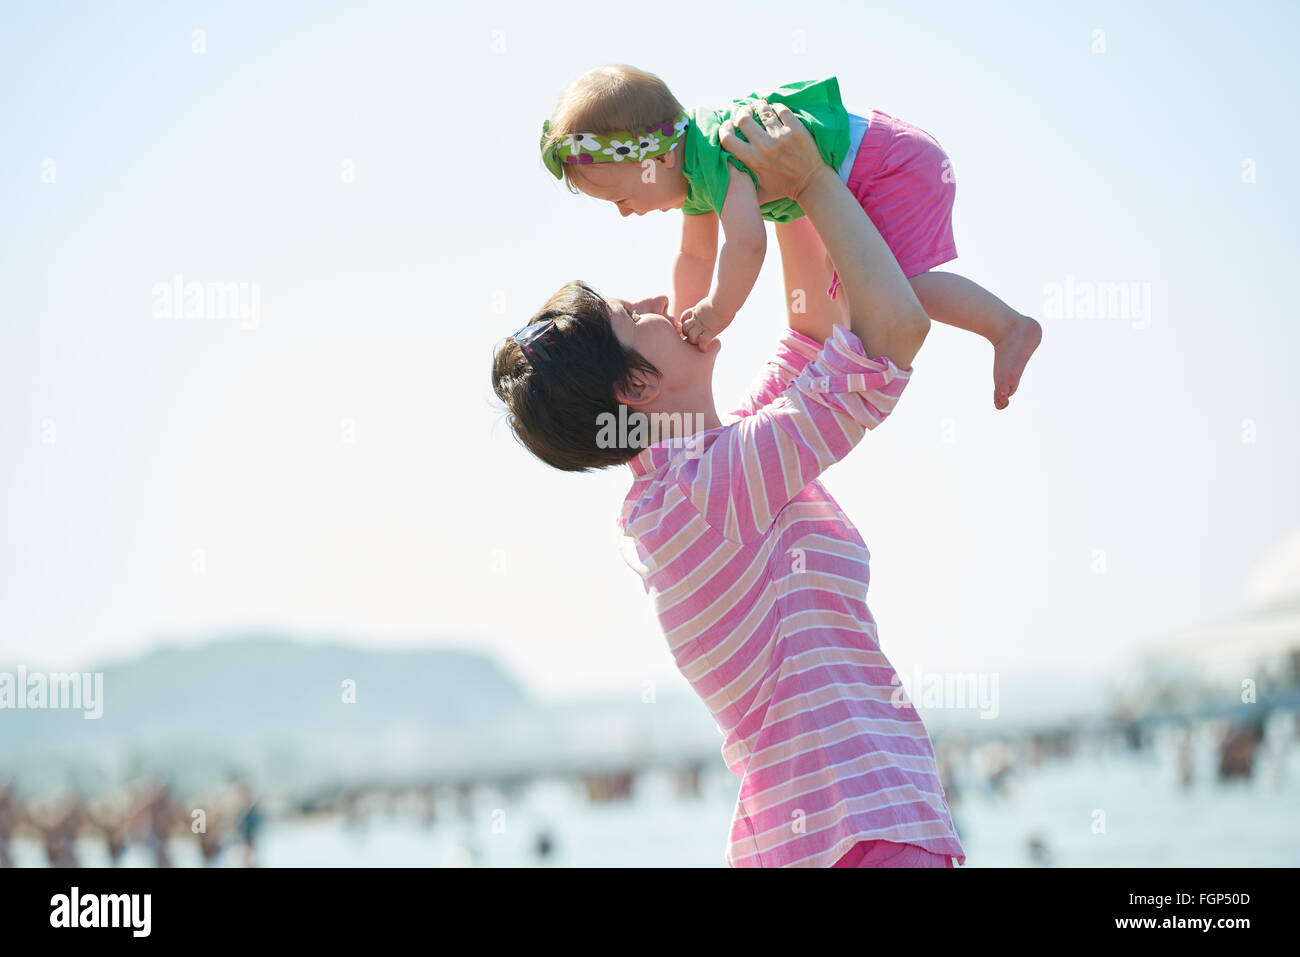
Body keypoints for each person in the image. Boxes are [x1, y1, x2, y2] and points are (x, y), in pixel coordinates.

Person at [494, 101, 964, 867]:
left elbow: (812, 336)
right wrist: (810, 177)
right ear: (635, 388)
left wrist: (773, 178)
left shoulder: (689, 482)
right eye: (632, 315)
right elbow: (892, 336)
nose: (656, 300)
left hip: (841, 832)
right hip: (858, 832)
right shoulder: (700, 491)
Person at [540, 64, 1040, 409]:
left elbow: (747, 243)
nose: (626, 214)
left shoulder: (718, 155)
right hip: (880, 167)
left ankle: (1008, 327)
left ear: (660, 158)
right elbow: (694, 254)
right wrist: (679, 320)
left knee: (893, 292)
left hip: (890, 168)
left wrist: (717, 311)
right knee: (851, 297)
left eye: (620, 199)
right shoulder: (694, 175)